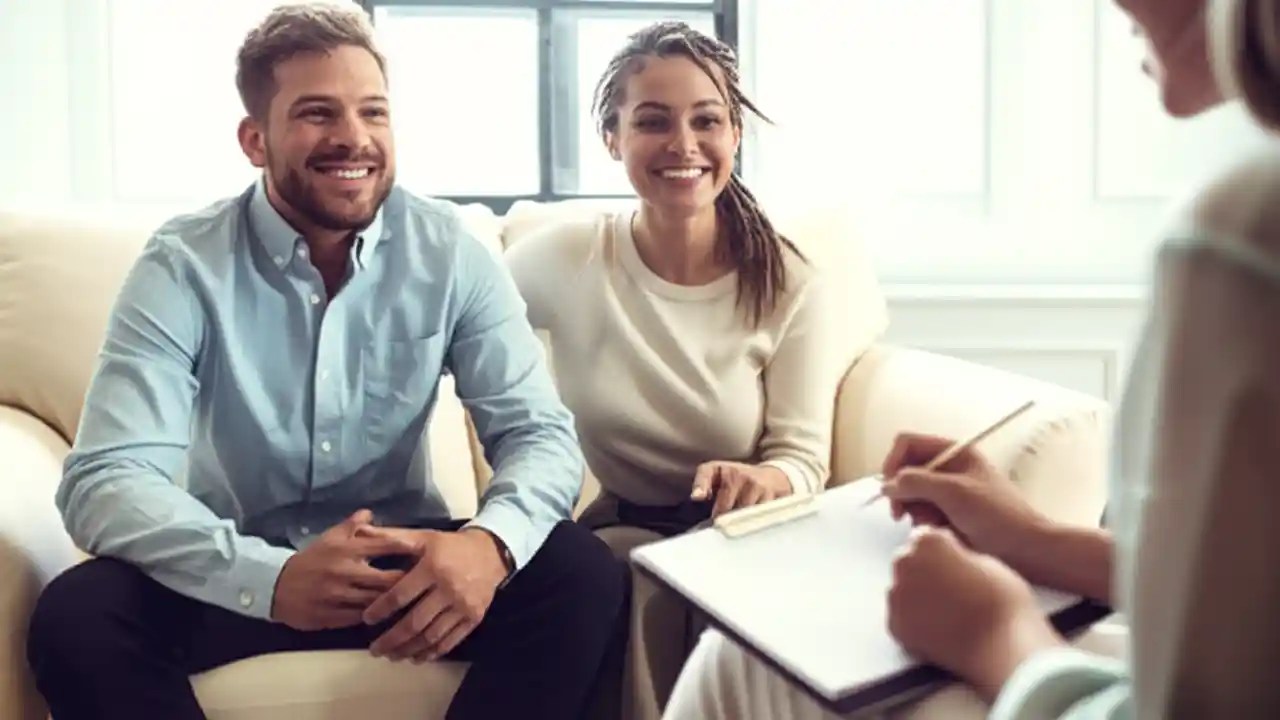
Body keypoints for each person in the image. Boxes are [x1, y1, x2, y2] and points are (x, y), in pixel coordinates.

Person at [662, 0, 1280, 717]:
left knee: (747, 667)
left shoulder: (1245, 239)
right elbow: (1240, 596)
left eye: (707, 118)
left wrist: (996, 635)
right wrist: (1033, 539)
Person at [24, 4, 626, 720]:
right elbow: (105, 479)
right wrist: (271, 579)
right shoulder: (183, 265)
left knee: (582, 576)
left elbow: (539, 435)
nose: (354, 139)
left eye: (373, 112)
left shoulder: (449, 250)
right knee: (78, 615)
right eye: (317, 113)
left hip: (402, 564)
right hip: (239, 565)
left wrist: (488, 547)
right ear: (255, 139)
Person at [503, 20, 866, 719]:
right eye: (652, 121)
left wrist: (763, 477)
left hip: (750, 537)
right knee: (595, 579)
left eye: (707, 120)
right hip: (622, 529)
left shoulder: (790, 280)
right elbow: (452, 326)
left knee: (699, 593)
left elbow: (801, 459)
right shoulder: (563, 260)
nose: (683, 144)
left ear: (735, 136)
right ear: (613, 138)